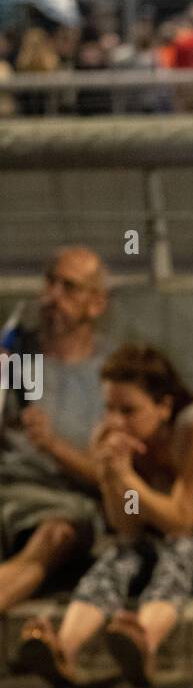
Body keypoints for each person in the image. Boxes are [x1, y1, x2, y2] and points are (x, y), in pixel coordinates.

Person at [15, 344, 193, 687]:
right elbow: (125, 526)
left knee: (180, 549)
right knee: (119, 553)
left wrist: (126, 479)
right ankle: (63, 648)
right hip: (160, 534)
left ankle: (144, 640)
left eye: (128, 410)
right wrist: (112, 475)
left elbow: (183, 521)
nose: (115, 421)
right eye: (109, 408)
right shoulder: (117, 437)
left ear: (164, 407)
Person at [0, 247, 109, 614]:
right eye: (50, 282)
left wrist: (53, 447)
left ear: (95, 304)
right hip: (8, 489)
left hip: (62, 503)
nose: (53, 296)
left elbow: (109, 478)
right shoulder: (15, 358)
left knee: (56, 534)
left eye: (69, 288)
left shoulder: (110, 377)